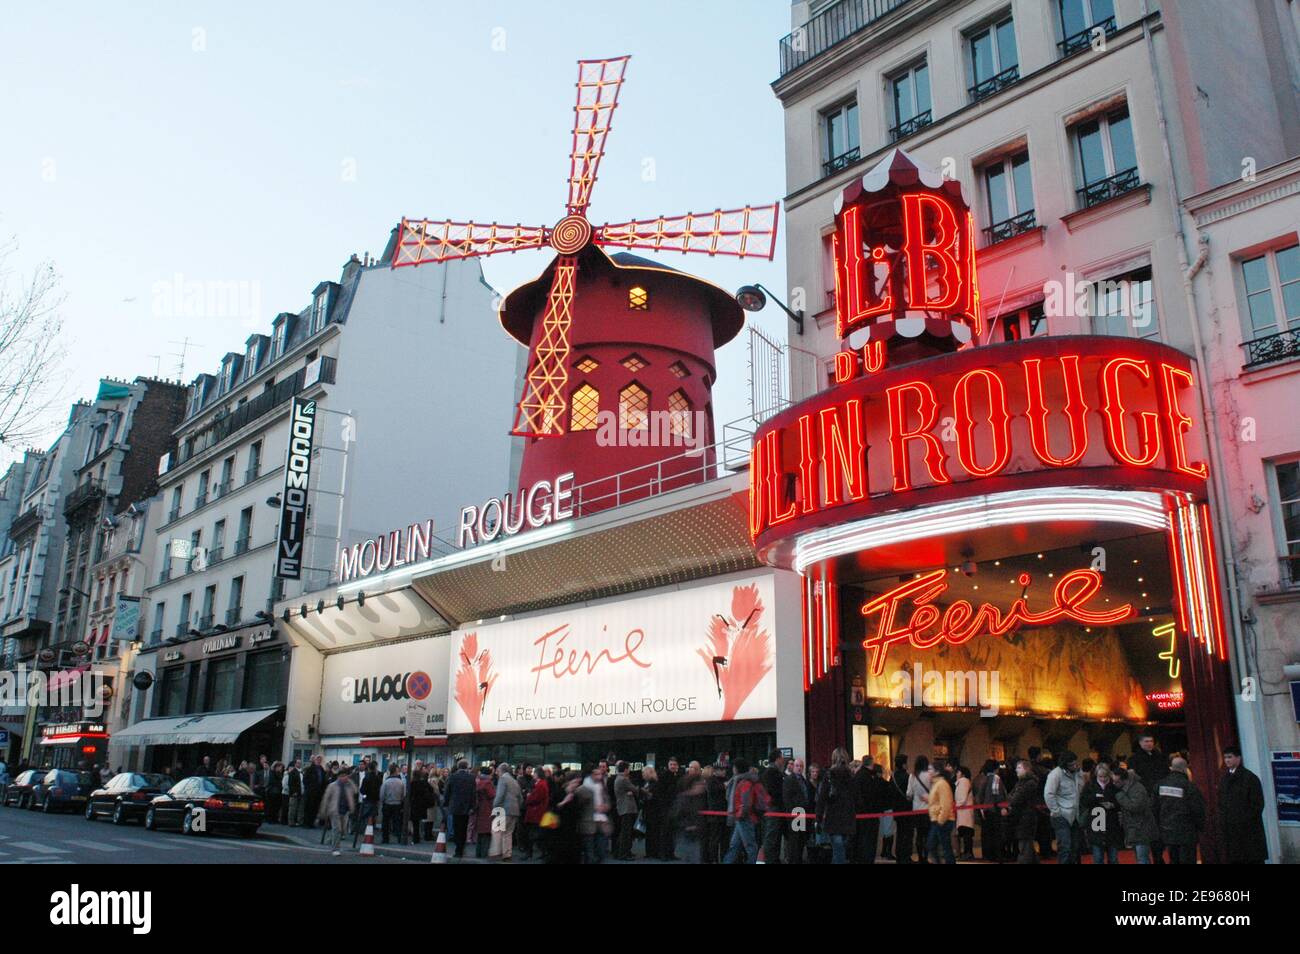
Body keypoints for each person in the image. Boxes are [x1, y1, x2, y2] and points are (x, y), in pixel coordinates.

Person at [1218, 746, 1268, 864]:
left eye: (1230, 757)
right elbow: (1221, 803)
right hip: (1232, 832)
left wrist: (1243, 819)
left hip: (1249, 832)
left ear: (1238, 758)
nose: (1227, 760)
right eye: (1225, 757)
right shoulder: (1224, 779)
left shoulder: (1249, 778)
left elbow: (1257, 804)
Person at [1156, 756, 1205, 864]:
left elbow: (1154, 807)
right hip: (1186, 832)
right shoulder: (1189, 786)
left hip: (1167, 831)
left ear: (1171, 768)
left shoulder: (1160, 785)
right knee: (1187, 860)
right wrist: (1201, 827)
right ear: (1185, 769)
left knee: (1174, 859)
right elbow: (1198, 809)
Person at [1128, 734, 1169, 863]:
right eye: (1146, 741)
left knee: (1160, 828)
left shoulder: (1160, 757)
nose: (1149, 744)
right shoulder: (1134, 759)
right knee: (1149, 829)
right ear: (1140, 743)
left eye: (1151, 741)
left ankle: (1158, 855)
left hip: (1160, 797)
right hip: (1145, 798)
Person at [723, 758, 767, 863]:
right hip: (743, 817)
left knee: (749, 846)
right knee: (736, 845)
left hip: (744, 818)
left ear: (737, 769)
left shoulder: (743, 783)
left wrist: (739, 814)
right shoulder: (744, 781)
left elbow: (746, 803)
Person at [1080, 762, 1123, 864]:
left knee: (1113, 858)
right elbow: (1083, 801)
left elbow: (1121, 801)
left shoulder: (1114, 786)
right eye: (1100, 776)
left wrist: (1113, 805)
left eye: (1105, 776)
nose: (1103, 779)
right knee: (1098, 858)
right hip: (1096, 823)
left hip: (1112, 823)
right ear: (1096, 775)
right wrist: (1095, 798)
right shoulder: (1090, 785)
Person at [1044, 750, 1083, 864]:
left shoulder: (1077, 773)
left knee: (1076, 847)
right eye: (1072, 765)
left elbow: (1081, 790)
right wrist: (1056, 811)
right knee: (1065, 847)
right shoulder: (1055, 774)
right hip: (1062, 816)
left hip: (1075, 814)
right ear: (1064, 765)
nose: (1075, 766)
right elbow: (1048, 794)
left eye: (1076, 763)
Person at [1112, 766, 1157, 864]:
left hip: (1141, 828)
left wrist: (1120, 797)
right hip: (1136, 828)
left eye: (1117, 781)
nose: (1114, 784)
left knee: (1142, 858)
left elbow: (1134, 807)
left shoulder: (1137, 789)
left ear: (1125, 780)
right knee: (1140, 857)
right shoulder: (1130, 788)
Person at [318, 766, 358, 857]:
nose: (346, 778)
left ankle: (330, 840)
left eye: (346, 776)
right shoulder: (332, 785)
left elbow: (356, 791)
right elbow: (326, 798)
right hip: (335, 810)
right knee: (337, 829)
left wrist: (350, 782)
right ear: (339, 777)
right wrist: (323, 811)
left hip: (345, 810)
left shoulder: (348, 786)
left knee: (342, 829)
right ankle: (335, 849)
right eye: (344, 776)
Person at [672, 762, 708, 863]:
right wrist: (688, 825)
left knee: (692, 857)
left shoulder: (696, 798)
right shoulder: (685, 798)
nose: (702, 787)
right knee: (691, 856)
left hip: (693, 831)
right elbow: (677, 814)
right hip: (687, 832)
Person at [783, 757, 815, 864]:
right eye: (797, 766)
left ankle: (798, 860)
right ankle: (794, 861)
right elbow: (787, 798)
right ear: (793, 767)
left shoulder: (804, 781)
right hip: (795, 814)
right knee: (794, 842)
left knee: (801, 840)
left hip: (803, 814)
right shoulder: (789, 780)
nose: (799, 768)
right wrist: (792, 814)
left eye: (801, 766)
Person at [1007, 759, 1039, 864]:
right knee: (1027, 845)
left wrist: (1012, 799)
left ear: (1027, 769)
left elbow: (1015, 798)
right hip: (1022, 817)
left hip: (1026, 818)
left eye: (1019, 768)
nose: (1016, 770)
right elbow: (1011, 797)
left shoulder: (1030, 783)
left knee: (1024, 845)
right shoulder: (1021, 782)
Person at [443, 759, 476, 858]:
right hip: (466, 806)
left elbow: (447, 791)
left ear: (458, 767)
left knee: (457, 827)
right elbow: (473, 793)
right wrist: (472, 806)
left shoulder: (453, 777)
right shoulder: (471, 778)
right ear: (466, 766)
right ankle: (462, 847)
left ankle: (458, 849)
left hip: (455, 806)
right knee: (464, 827)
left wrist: (446, 803)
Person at [974, 759, 1005, 863]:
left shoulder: (984, 778)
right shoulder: (995, 778)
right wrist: (1002, 807)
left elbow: (978, 797)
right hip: (994, 810)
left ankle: (987, 855)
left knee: (986, 834)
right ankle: (997, 855)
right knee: (996, 834)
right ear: (996, 768)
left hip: (985, 810)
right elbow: (997, 794)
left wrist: (982, 808)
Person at [925, 759, 956, 864]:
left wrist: (940, 820)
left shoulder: (941, 784)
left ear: (937, 772)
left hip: (943, 820)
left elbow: (946, 805)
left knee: (941, 847)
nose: (928, 771)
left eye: (930, 769)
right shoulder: (936, 784)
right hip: (938, 819)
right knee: (938, 846)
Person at [759, 749, 787, 864]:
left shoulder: (772, 772)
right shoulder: (772, 773)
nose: (783, 760)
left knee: (775, 836)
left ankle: (773, 859)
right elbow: (773, 791)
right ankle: (770, 860)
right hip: (773, 808)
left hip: (775, 808)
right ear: (777, 759)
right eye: (782, 758)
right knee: (772, 837)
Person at [492, 763, 523, 860]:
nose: (497, 773)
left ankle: (496, 852)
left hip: (504, 809)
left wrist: (494, 806)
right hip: (515, 810)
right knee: (508, 833)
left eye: (497, 771)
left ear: (501, 770)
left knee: (497, 831)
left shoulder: (503, 779)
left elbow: (500, 795)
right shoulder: (514, 781)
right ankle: (507, 854)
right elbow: (520, 798)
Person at [906, 755, 932, 864]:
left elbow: (909, 793)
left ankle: (920, 858)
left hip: (916, 810)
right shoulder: (930, 776)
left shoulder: (912, 776)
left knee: (919, 835)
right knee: (927, 834)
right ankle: (926, 857)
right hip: (928, 809)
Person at [522, 765, 551, 861]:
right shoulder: (541, 784)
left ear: (538, 774)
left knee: (533, 834)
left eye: (534, 772)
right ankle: (540, 853)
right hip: (537, 812)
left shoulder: (541, 784)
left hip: (536, 813)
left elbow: (535, 798)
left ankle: (531, 853)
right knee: (536, 835)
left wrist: (528, 797)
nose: (533, 774)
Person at [613, 761, 640, 861]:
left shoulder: (618, 779)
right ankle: (623, 854)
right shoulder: (624, 779)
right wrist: (634, 790)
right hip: (627, 809)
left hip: (623, 808)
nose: (629, 770)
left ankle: (622, 852)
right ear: (625, 769)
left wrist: (630, 791)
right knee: (626, 833)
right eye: (628, 768)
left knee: (624, 832)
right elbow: (635, 789)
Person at [703, 763, 728, 864]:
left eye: (724, 769)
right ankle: (713, 859)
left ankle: (723, 859)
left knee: (724, 840)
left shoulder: (724, 779)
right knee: (714, 839)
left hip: (724, 813)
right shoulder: (711, 781)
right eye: (721, 769)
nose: (724, 771)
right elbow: (718, 789)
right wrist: (725, 786)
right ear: (715, 771)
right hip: (715, 814)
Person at [472, 765, 497, 858]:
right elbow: (492, 795)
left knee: (480, 833)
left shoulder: (478, 782)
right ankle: (484, 853)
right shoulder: (488, 783)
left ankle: (478, 853)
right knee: (486, 833)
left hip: (479, 809)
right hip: (487, 809)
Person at [953, 764, 975, 861]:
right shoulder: (963, 782)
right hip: (964, 812)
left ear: (962, 773)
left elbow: (962, 798)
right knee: (966, 833)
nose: (956, 774)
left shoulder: (963, 782)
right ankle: (967, 852)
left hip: (964, 812)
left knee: (966, 833)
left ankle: (968, 853)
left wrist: (955, 806)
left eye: (958, 772)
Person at [379, 764, 406, 844]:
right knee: (397, 822)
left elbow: (382, 795)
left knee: (386, 822)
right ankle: (399, 838)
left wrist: (383, 801)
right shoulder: (401, 782)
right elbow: (403, 795)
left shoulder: (386, 782)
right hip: (397, 804)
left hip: (387, 803)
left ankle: (385, 838)